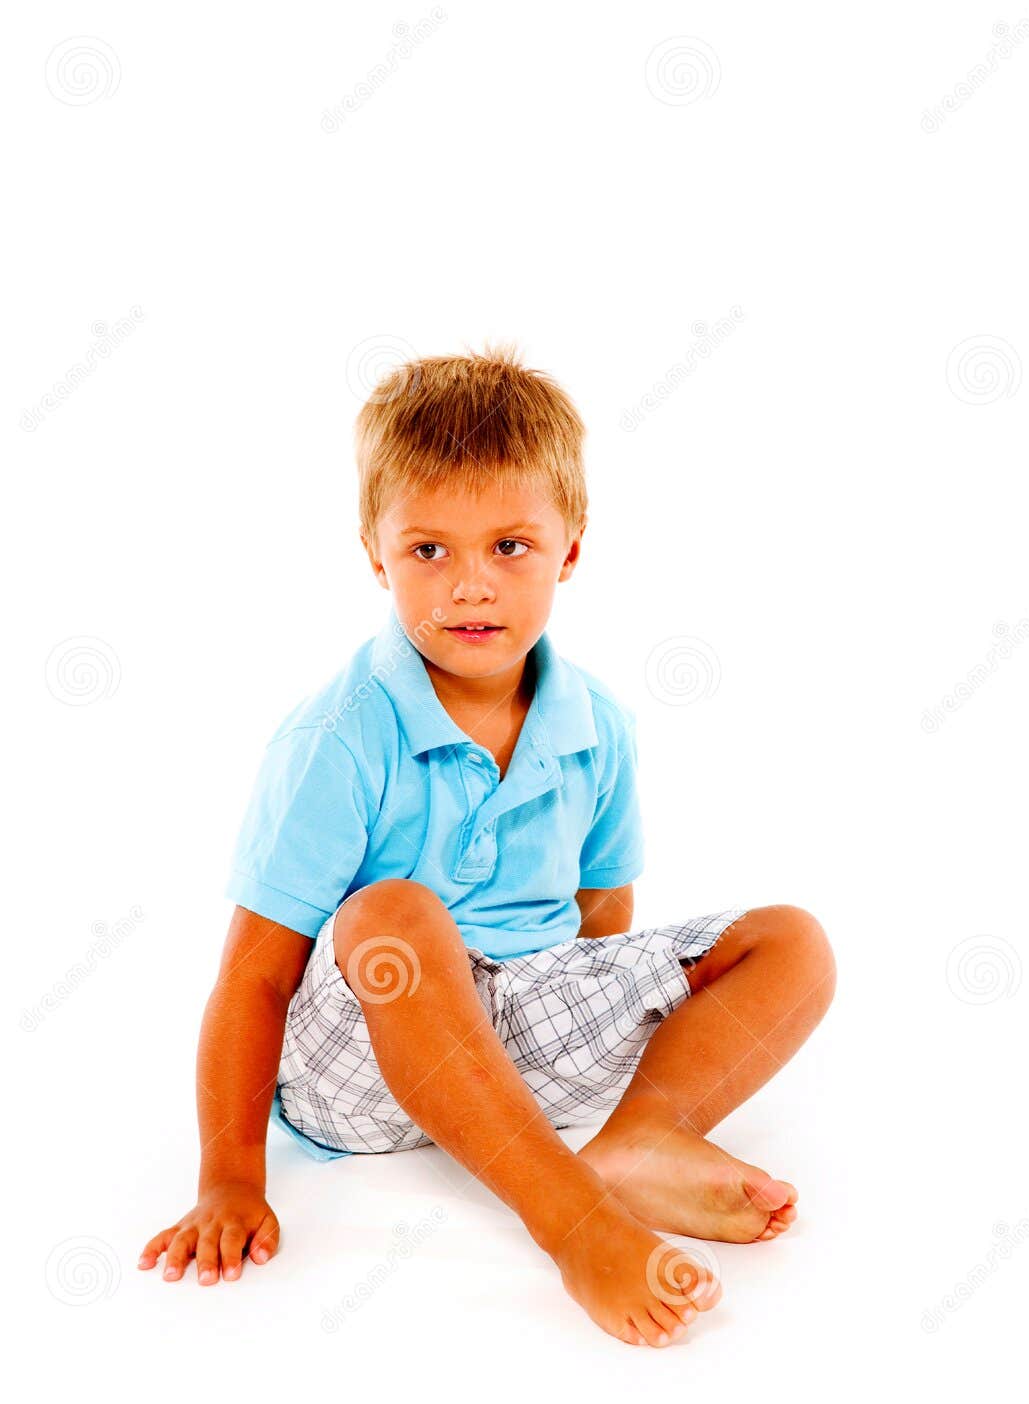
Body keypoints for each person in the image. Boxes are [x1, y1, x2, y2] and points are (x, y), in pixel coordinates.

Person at [138, 343, 836, 1346]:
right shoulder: (340, 737)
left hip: (526, 1043)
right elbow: (253, 977)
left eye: (508, 546)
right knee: (392, 911)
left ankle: (642, 1138)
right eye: (429, 551)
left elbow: (603, 919)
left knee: (790, 941)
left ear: (570, 549)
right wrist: (230, 1179)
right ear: (375, 553)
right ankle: (575, 1220)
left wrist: (609, 1017)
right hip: (362, 1062)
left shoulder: (595, 725)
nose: (469, 585)